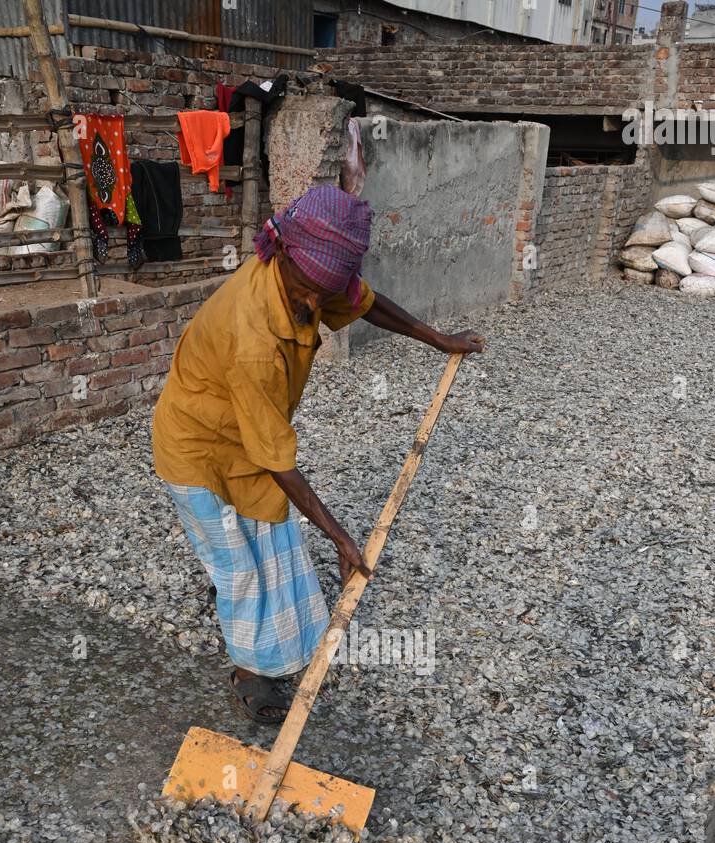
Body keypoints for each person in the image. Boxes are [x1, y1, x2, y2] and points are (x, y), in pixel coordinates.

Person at [153, 184, 484, 723]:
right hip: (197, 446)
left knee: (271, 541)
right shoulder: (254, 338)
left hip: (247, 437)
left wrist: (439, 339)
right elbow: (278, 461)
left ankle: (263, 634)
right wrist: (339, 535)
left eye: (322, 294)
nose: (315, 306)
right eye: (307, 293)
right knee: (238, 564)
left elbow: (368, 305)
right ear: (280, 252)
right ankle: (247, 672)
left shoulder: (312, 272)